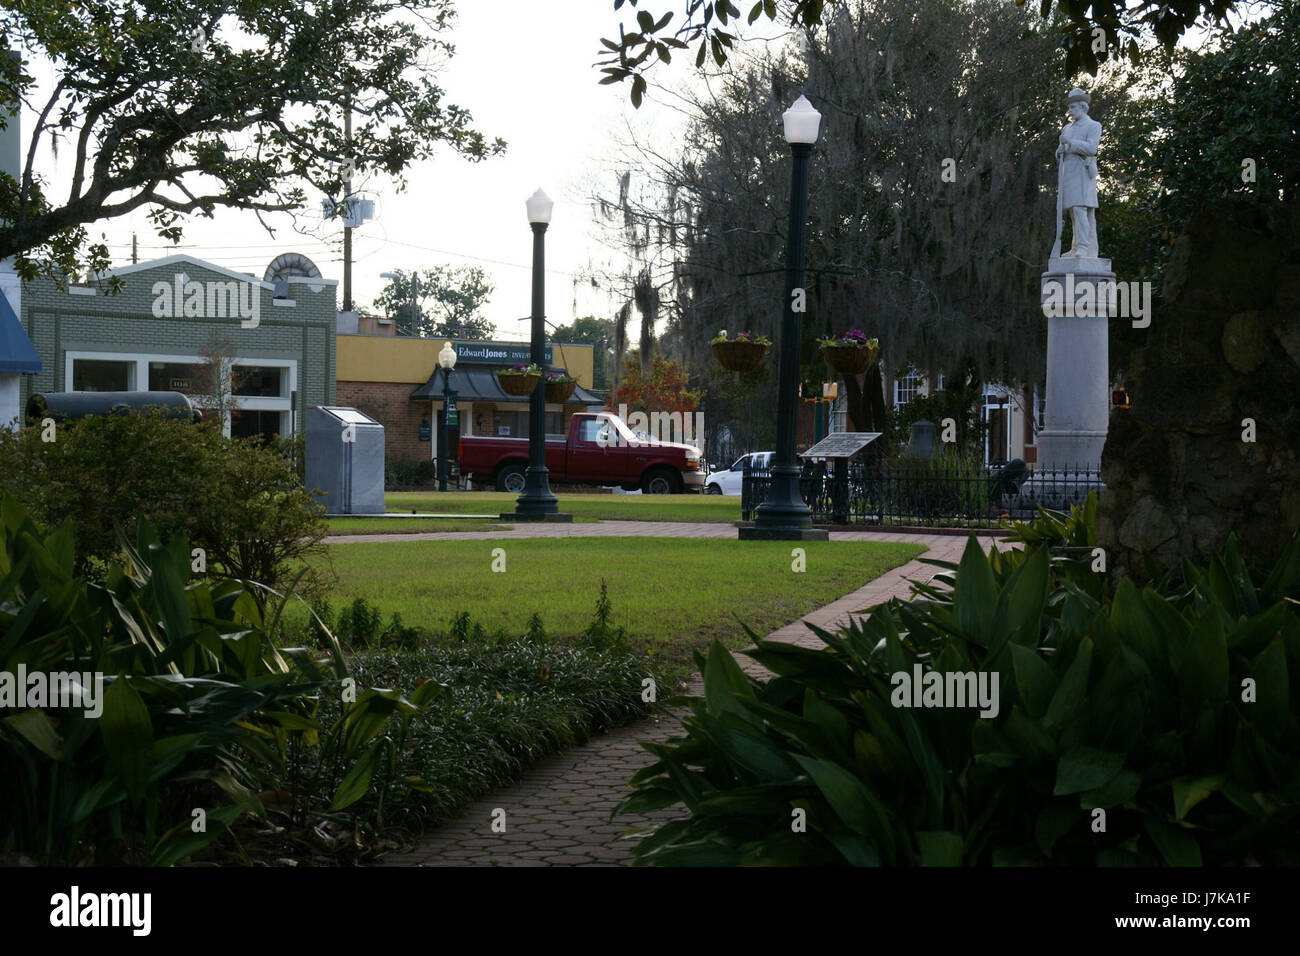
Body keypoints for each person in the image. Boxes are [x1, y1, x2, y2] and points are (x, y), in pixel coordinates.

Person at [1056, 88, 1101, 258]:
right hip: (1068, 172)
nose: (1070, 111)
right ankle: (1075, 247)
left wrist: (1069, 142)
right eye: (1069, 108)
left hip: (1083, 171)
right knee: (1072, 211)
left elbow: (1091, 148)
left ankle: (1084, 246)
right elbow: (1062, 149)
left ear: (1083, 107)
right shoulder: (1067, 128)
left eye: (1073, 107)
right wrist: (1059, 150)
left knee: (1080, 209)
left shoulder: (1093, 125)